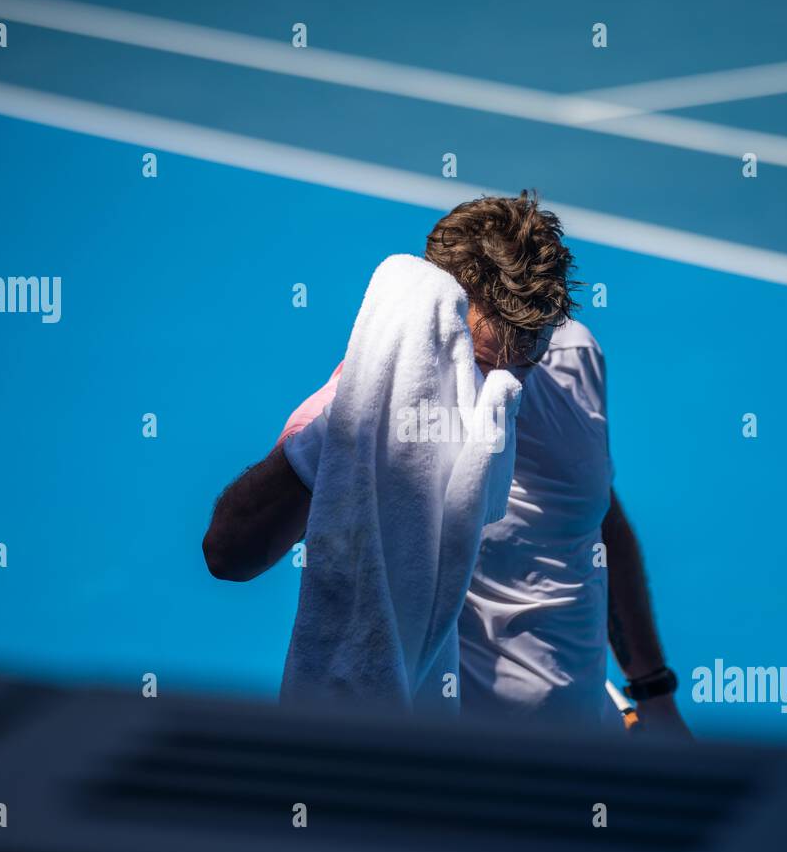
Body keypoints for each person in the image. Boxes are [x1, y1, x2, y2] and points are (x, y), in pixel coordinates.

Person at [203, 191, 688, 735]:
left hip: (587, 747)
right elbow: (228, 555)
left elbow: (597, 518)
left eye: (528, 358)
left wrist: (653, 690)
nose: (509, 384)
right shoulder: (364, 411)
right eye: (485, 364)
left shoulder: (575, 360)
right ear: (436, 316)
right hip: (451, 773)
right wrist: (332, 437)